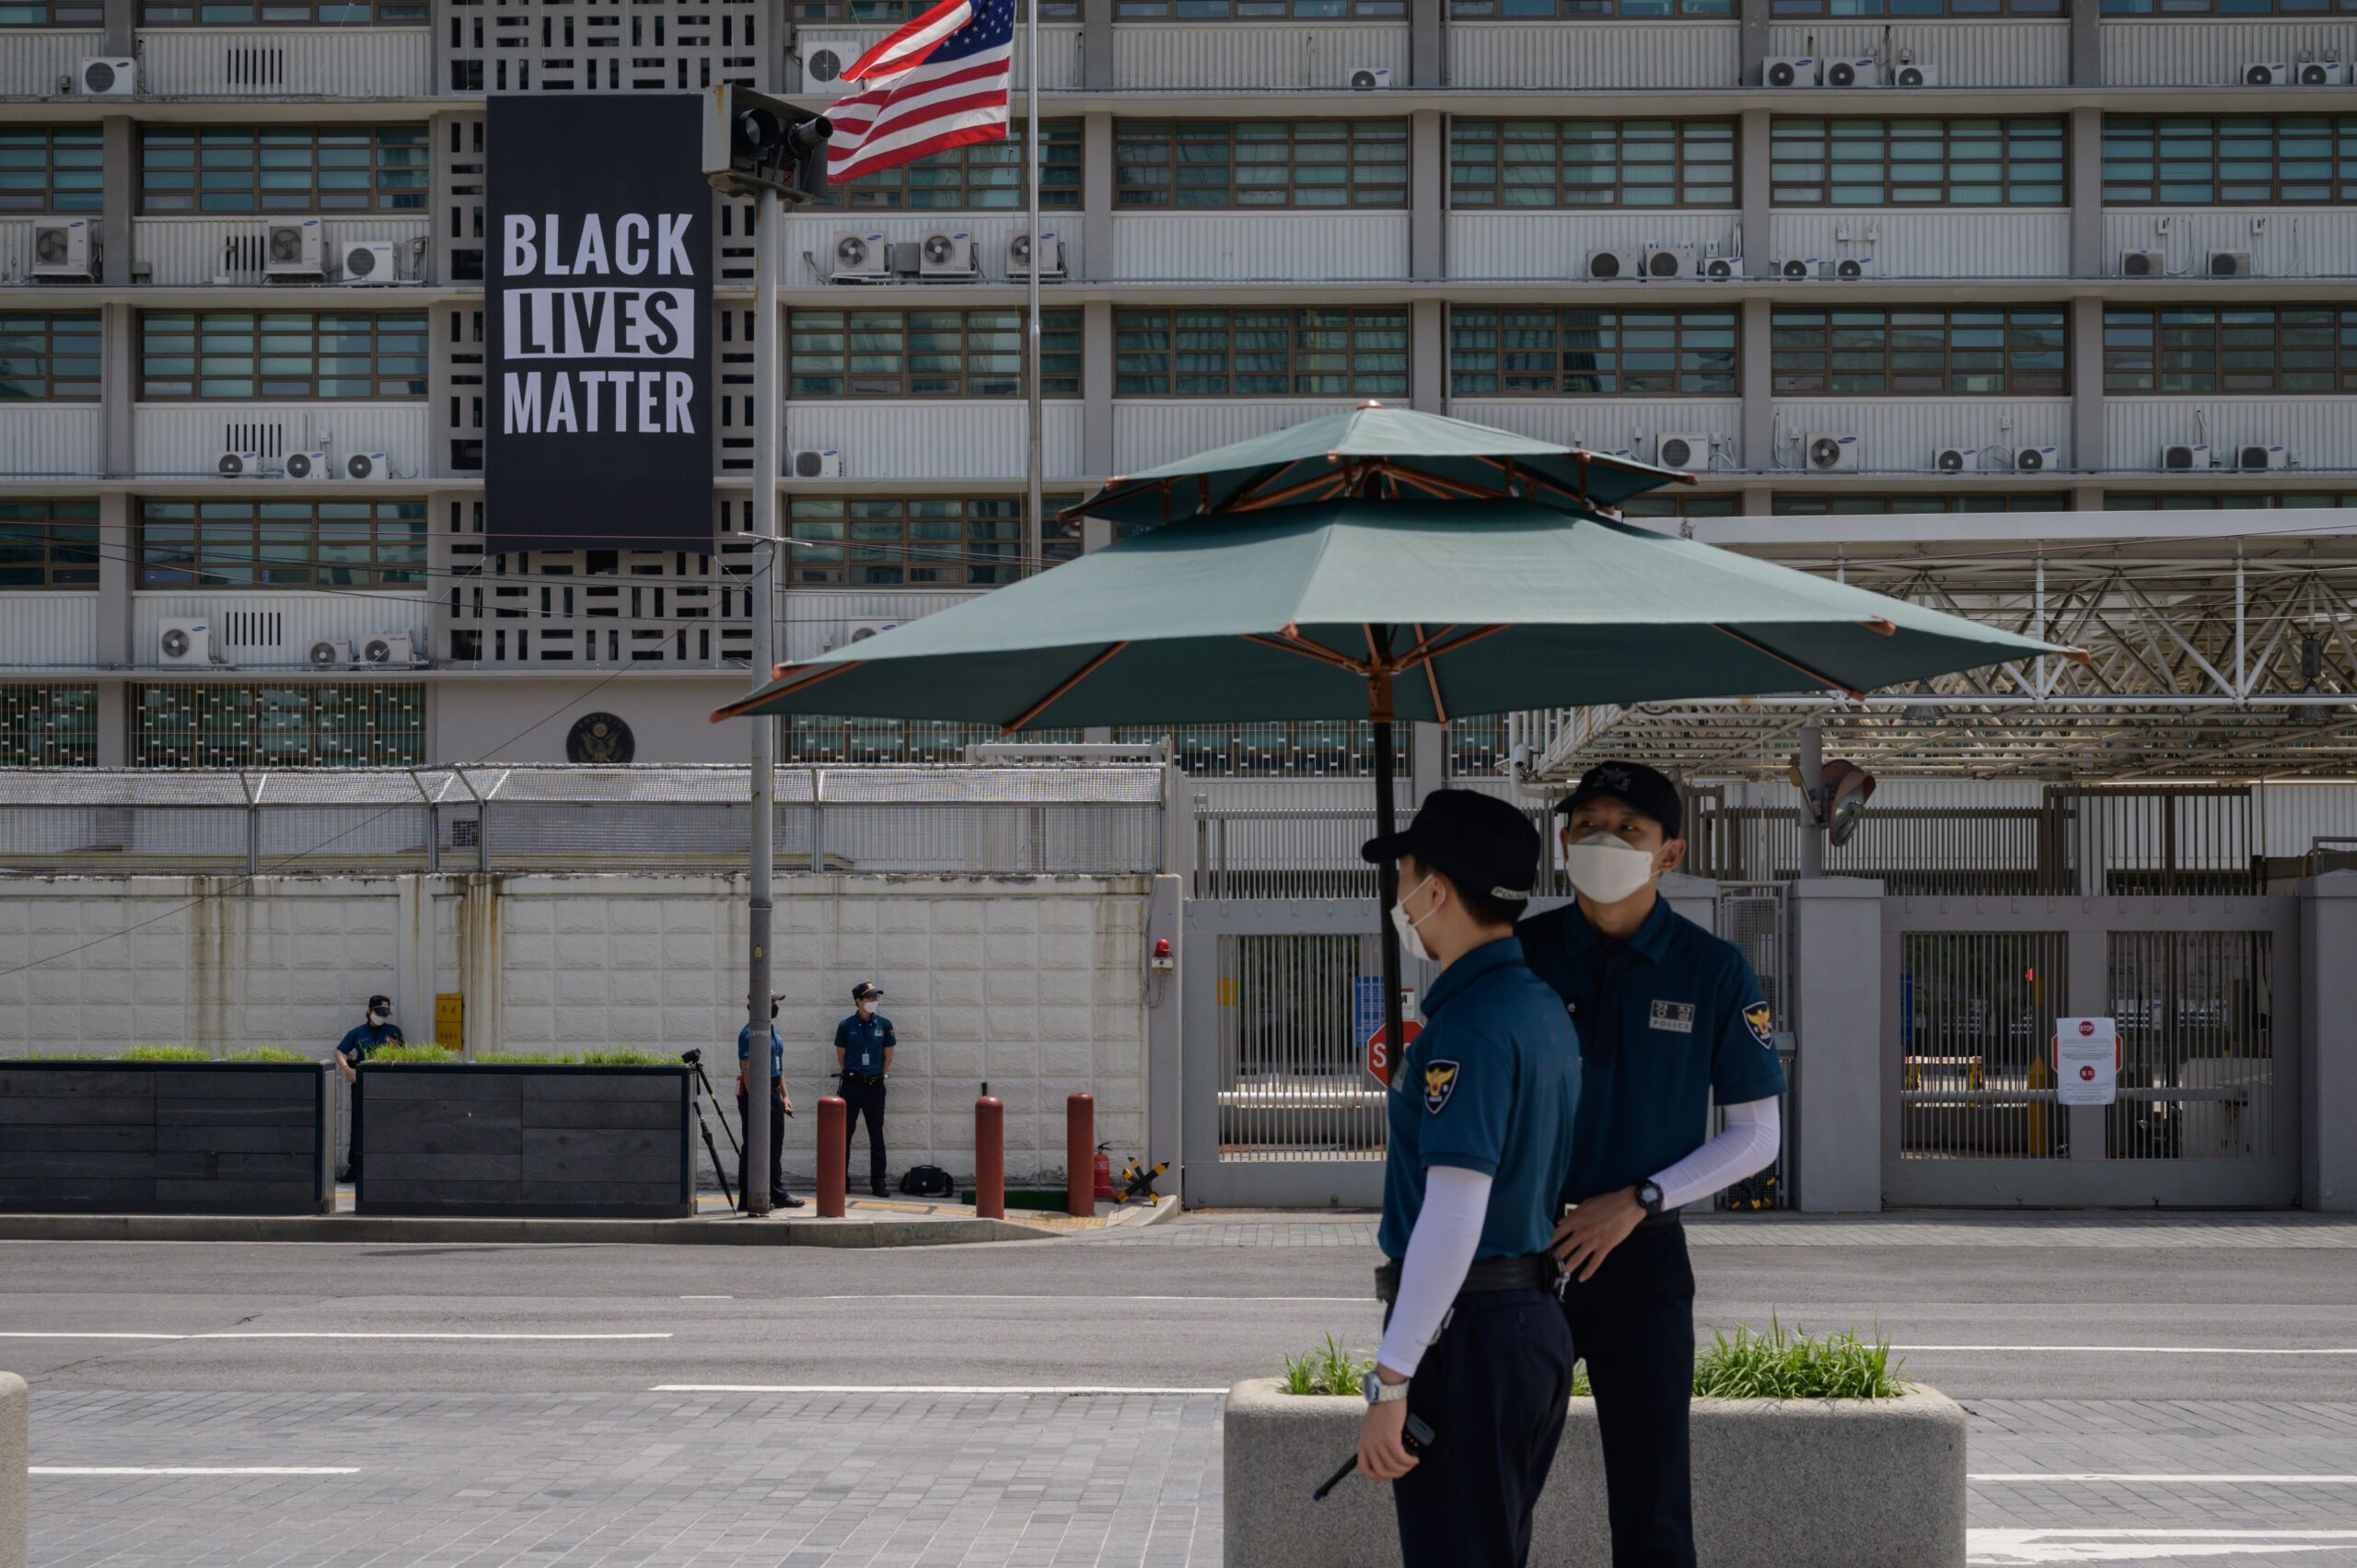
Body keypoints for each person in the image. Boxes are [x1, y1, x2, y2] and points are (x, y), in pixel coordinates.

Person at [1516, 761, 1788, 1568]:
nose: (1603, 841)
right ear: (1562, 840)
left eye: (1627, 829)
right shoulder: (1519, 955)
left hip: (1644, 1260)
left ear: (1668, 854)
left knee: (1654, 1505)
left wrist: (1639, 1199)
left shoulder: (1712, 970)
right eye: (1588, 824)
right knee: (1493, 1487)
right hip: (1523, 1258)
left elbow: (1756, 1134)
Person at [1353, 789, 1583, 1568]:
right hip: (1523, 1327)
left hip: (1473, 1336)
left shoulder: (1473, 1027)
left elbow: (1454, 1216)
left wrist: (1391, 1381)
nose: (1401, 901)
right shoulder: (1538, 1005)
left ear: (1438, 890)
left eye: (1405, 877)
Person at [737, 993, 804, 1211]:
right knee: (753, 1146)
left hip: (773, 1093)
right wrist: (757, 1101)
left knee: (775, 1146)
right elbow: (746, 1070)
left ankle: (776, 1192)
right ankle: (748, 1198)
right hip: (757, 1093)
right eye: (771, 1002)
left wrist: (785, 1096)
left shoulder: (773, 1031)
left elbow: (779, 1067)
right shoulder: (750, 1033)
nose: (775, 1006)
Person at [332, 994, 403, 1183]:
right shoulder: (358, 1032)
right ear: (369, 1012)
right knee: (358, 1125)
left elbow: (405, 1056)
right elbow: (339, 1051)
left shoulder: (393, 1032)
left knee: (385, 1125)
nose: (382, 1017)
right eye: (379, 1013)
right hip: (362, 1085)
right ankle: (355, 1168)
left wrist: (395, 1051)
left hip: (386, 1086)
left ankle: (383, 1167)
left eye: (385, 1014)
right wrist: (347, 1069)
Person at [834, 981, 894, 1199]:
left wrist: (880, 1073)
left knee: (876, 1135)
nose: (873, 1001)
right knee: (844, 1134)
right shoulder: (846, 1026)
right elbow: (841, 1056)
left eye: (875, 997)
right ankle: (841, 1180)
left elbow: (889, 1054)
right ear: (858, 1001)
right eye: (869, 998)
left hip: (874, 1086)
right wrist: (853, 1073)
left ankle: (878, 1181)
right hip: (851, 1085)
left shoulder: (884, 1025)